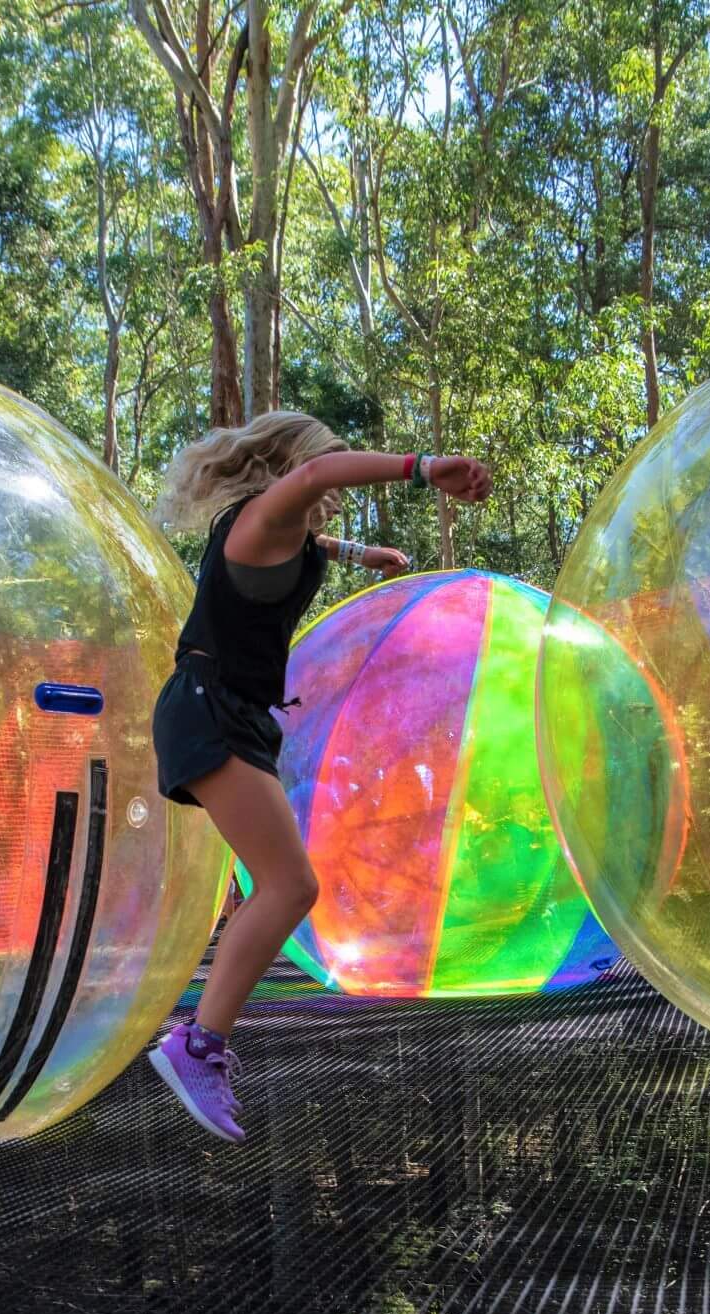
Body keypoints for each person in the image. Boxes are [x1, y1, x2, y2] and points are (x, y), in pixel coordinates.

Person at [143, 412, 489, 1139]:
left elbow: (314, 532)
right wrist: (423, 467)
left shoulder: (286, 533)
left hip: (230, 712)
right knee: (291, 885)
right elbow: (309, 485)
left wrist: (361, 552)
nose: (333, 484)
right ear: (299, 465)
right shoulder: (266, 517)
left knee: (267, 886)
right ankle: (195, 1046)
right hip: (210, 709)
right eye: (330, 464)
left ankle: (202, 1035)